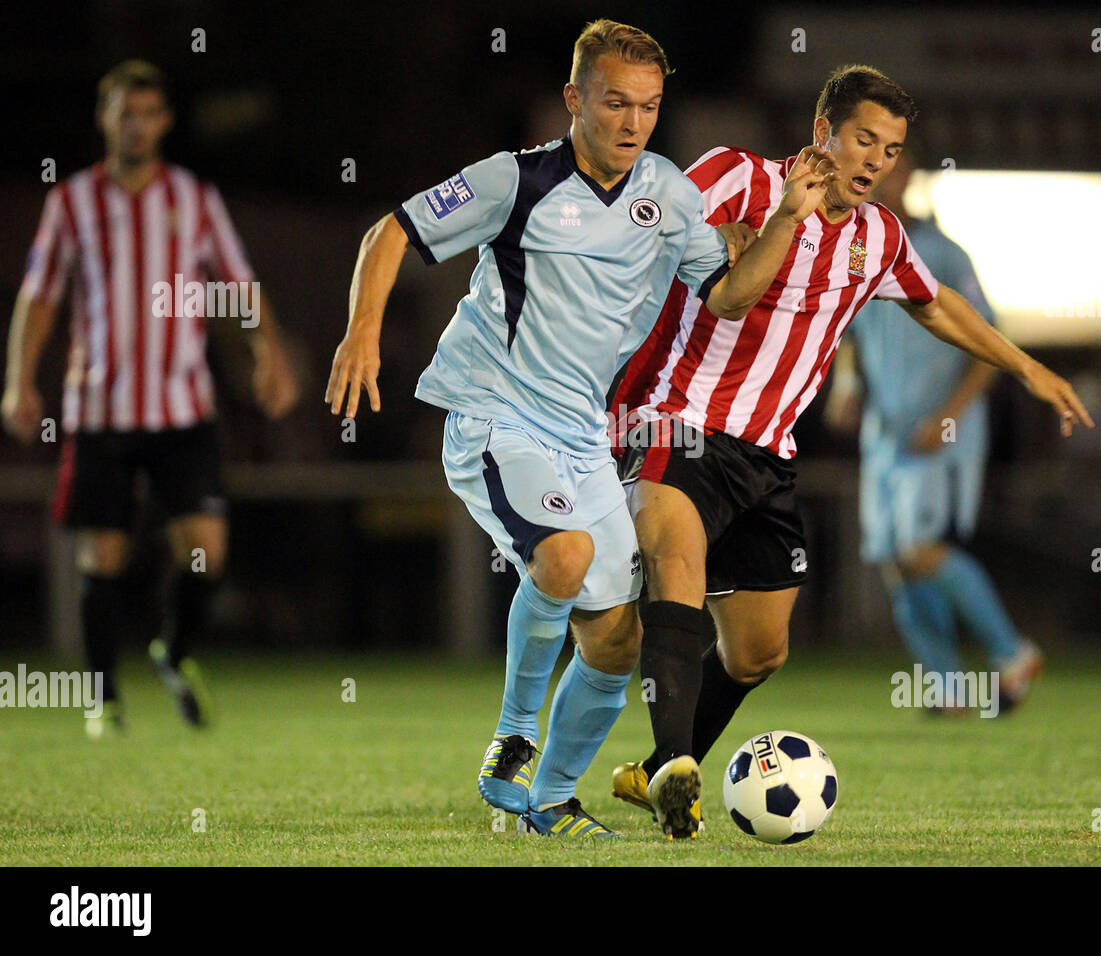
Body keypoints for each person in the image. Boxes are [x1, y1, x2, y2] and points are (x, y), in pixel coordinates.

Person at [324, 20, 830, 837]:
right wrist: (362, 332)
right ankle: (514, 737)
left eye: (649, 107)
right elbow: (391, 233)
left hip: (581, 436)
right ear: (574, 99)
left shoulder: (665, 192)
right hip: (494, 413)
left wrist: (782, 224)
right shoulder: (513, 181)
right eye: (615, 103)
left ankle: (548, 802)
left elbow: (728, 295)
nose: (632, 123)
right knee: (564, 557)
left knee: (616, 642)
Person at [609, 65, 1093, 838]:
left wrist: (1027, 367)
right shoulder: (740, 176)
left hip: (766, 456)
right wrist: (694, 236)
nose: (876, 160)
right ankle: (674, 765)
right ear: (821, 134)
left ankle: (653, 770)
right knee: (677, 566)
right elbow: (641, 219)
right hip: (678, 420)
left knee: (760, 655)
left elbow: (938, 307)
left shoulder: (879, 236)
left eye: (891, 149)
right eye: (864, 139)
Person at [1, 60, 299, 737]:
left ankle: (174, 648)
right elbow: (40, 296)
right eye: (123, 113)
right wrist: (20, 379)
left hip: (180, 410)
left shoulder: (192, 198)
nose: (136, 125)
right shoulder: (71, 201)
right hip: (100, 410)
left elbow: (237, 282)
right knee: (100, 558)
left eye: (148, 113)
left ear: (164, 121)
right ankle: (104, 698)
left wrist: (269, 354)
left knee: (207, 551)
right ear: (104, 119)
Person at [825, 139, 1044, 713]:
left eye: (890, 166)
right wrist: (847, 387)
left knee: (920, 549)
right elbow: (848, 333)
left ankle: (1011, 652)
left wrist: (948, 417)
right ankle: (948, 688)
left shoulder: (943, 254)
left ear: (907, 176)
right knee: (896, 563)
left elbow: (987, 345)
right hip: (885, 430)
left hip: (941, 432)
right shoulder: (852, 248)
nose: (877, 176)